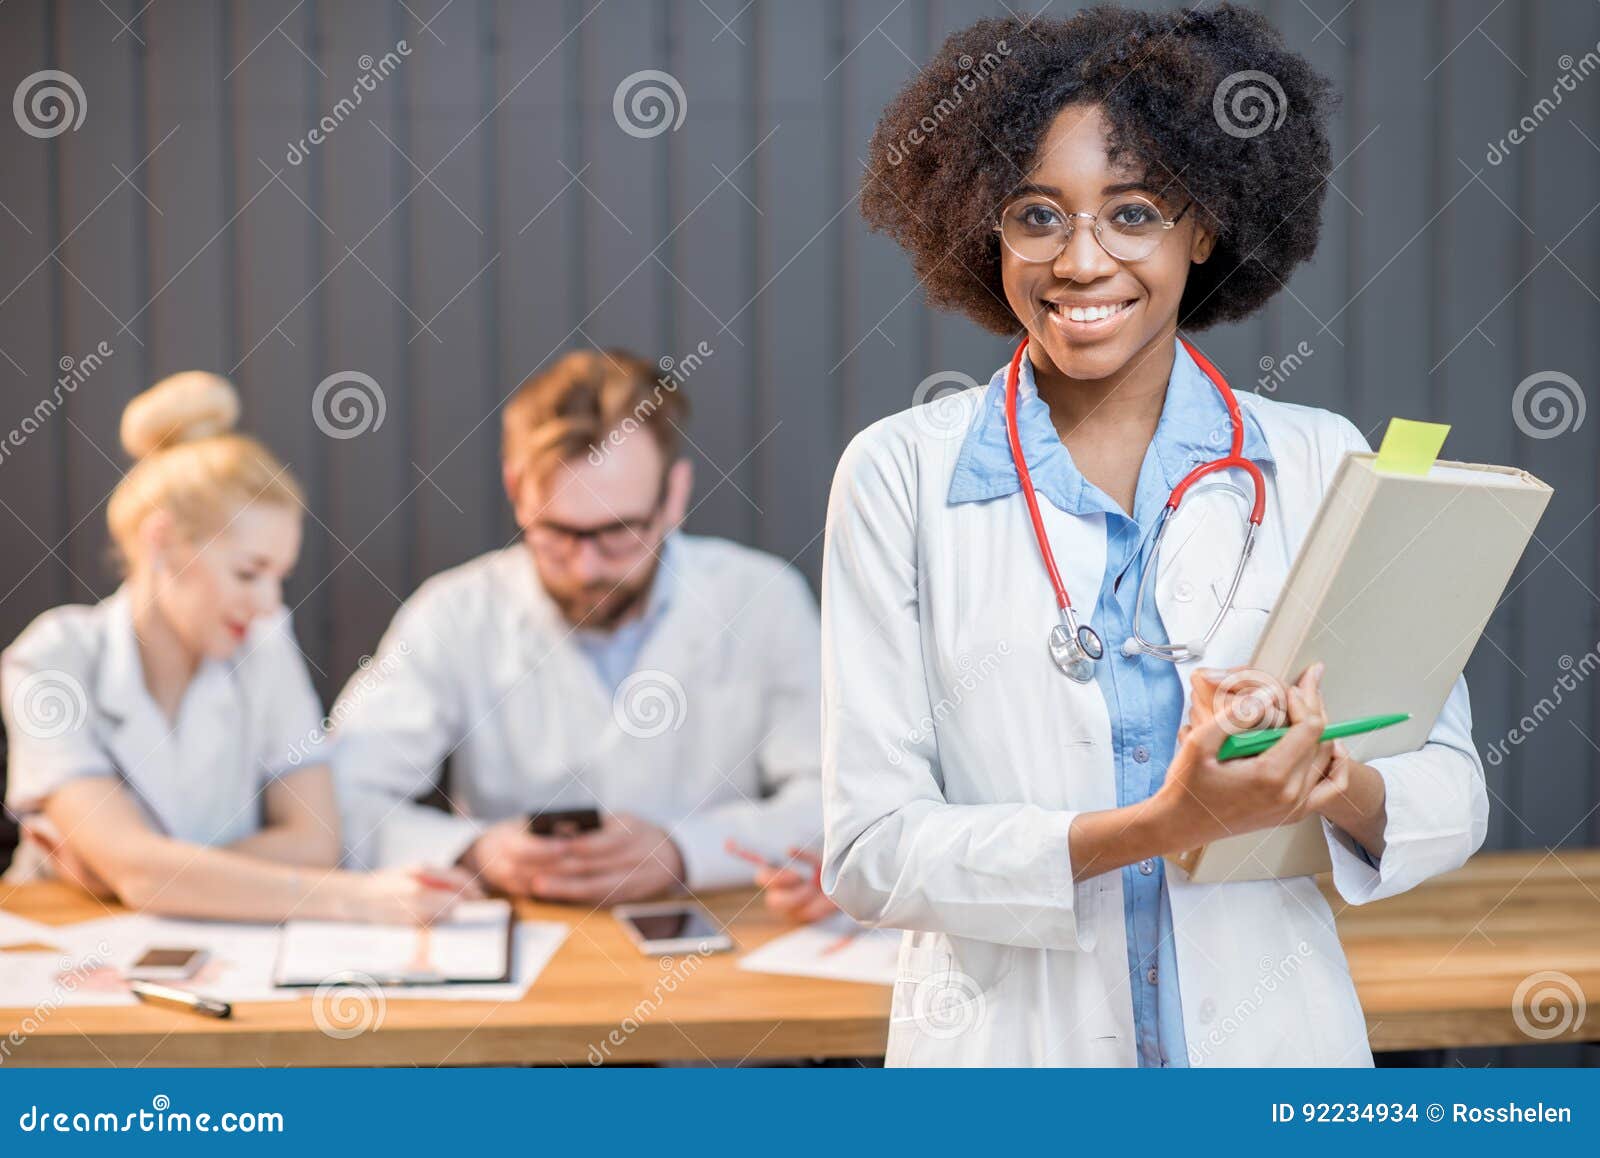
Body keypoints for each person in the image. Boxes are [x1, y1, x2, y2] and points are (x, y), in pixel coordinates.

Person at [821, 6, 1487, 1066]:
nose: (1081, 261)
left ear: (1204, 228)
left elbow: (1450, 792)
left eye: (1132, 213)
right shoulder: (898, 475)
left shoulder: (1317, 464)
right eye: (1036, 216)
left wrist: (1325, 778)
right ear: (983, 230)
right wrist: (1162, 825)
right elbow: (871, 853)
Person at [333, 349, 831, 917]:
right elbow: (336, 795)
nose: (586, 568)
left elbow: (837, 796)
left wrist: (684, 851)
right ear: (517, 488)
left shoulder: (760, 599)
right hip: (521, 942)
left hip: (722, 937)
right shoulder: (455, 612)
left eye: (618, 534)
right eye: (558, 534)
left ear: (675, 495)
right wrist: (472, 850)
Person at [1, 372, 476, 924]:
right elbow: (143, 872)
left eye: (280, 576)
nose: (270, 604)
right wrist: (357, 898)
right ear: (162, 542)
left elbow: (316, 842)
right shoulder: (50, 660)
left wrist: (136, 875)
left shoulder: (263, 644)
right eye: (249, 573)